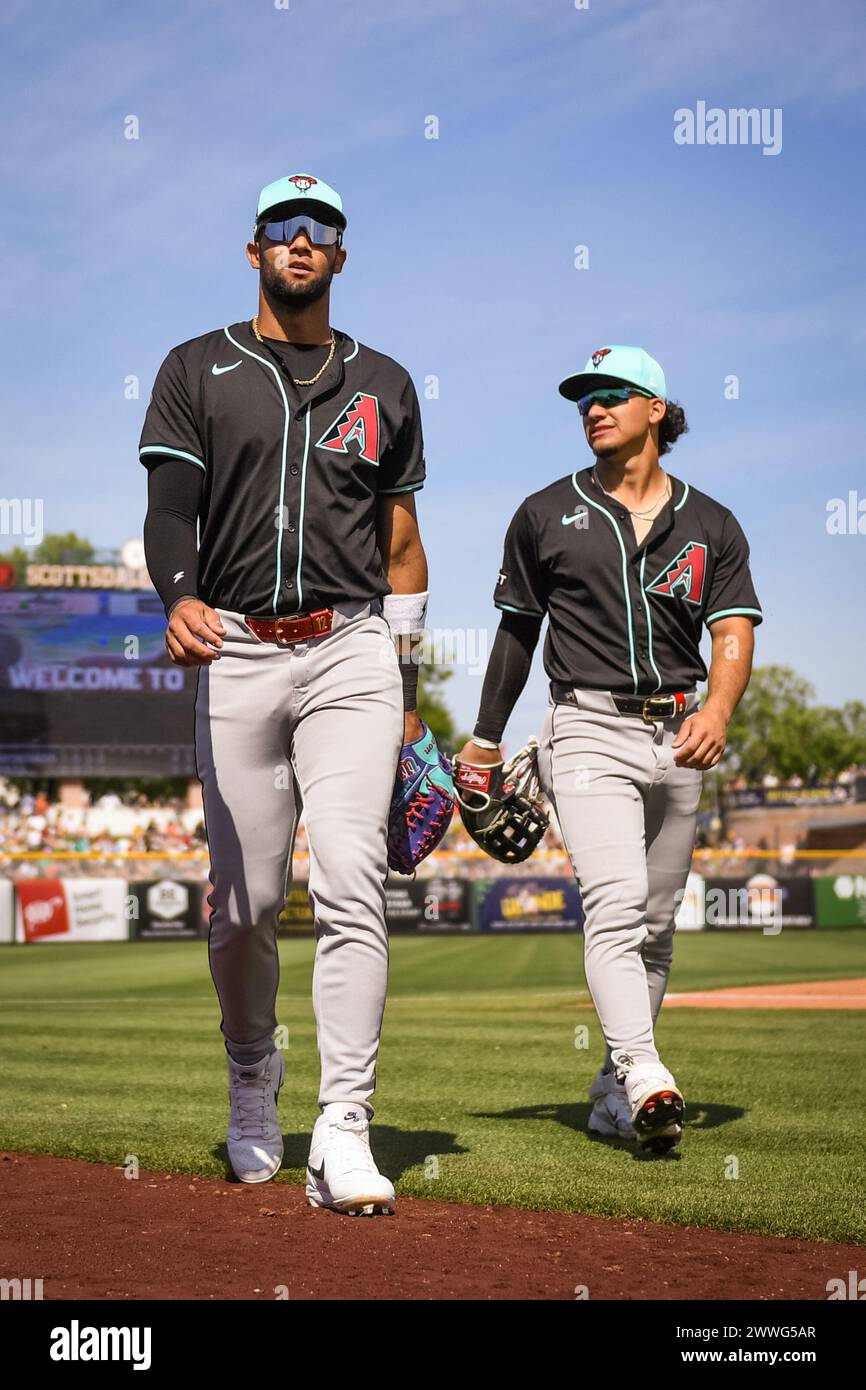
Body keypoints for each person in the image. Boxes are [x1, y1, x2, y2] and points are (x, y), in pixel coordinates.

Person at [140, 173, 430, 1212]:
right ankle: (251, 1078)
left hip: (350, 646)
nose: (299, 240)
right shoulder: (194, 366)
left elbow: (400, 545)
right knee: (244, 903)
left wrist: (405, 689)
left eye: (320, 229)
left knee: (354, 879)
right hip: (238, 651)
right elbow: (170, 511)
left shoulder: (387, 382)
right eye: (280, 226)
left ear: (341, 255)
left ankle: (342, 1126)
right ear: (252, 246)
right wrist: (176, 594)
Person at [456, 345, 762, 1153]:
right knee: (619, 902)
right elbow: (517, 632)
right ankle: (643, 1069)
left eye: (612, 394)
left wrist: (720, 709)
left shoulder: (713, 523)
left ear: (655, 409)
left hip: (681, 732)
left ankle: (609, 1096)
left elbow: (732, 633)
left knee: (657, 926)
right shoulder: (544, 512)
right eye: (584, 398)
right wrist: (485, 738)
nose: (593, 407)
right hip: (585, 726)